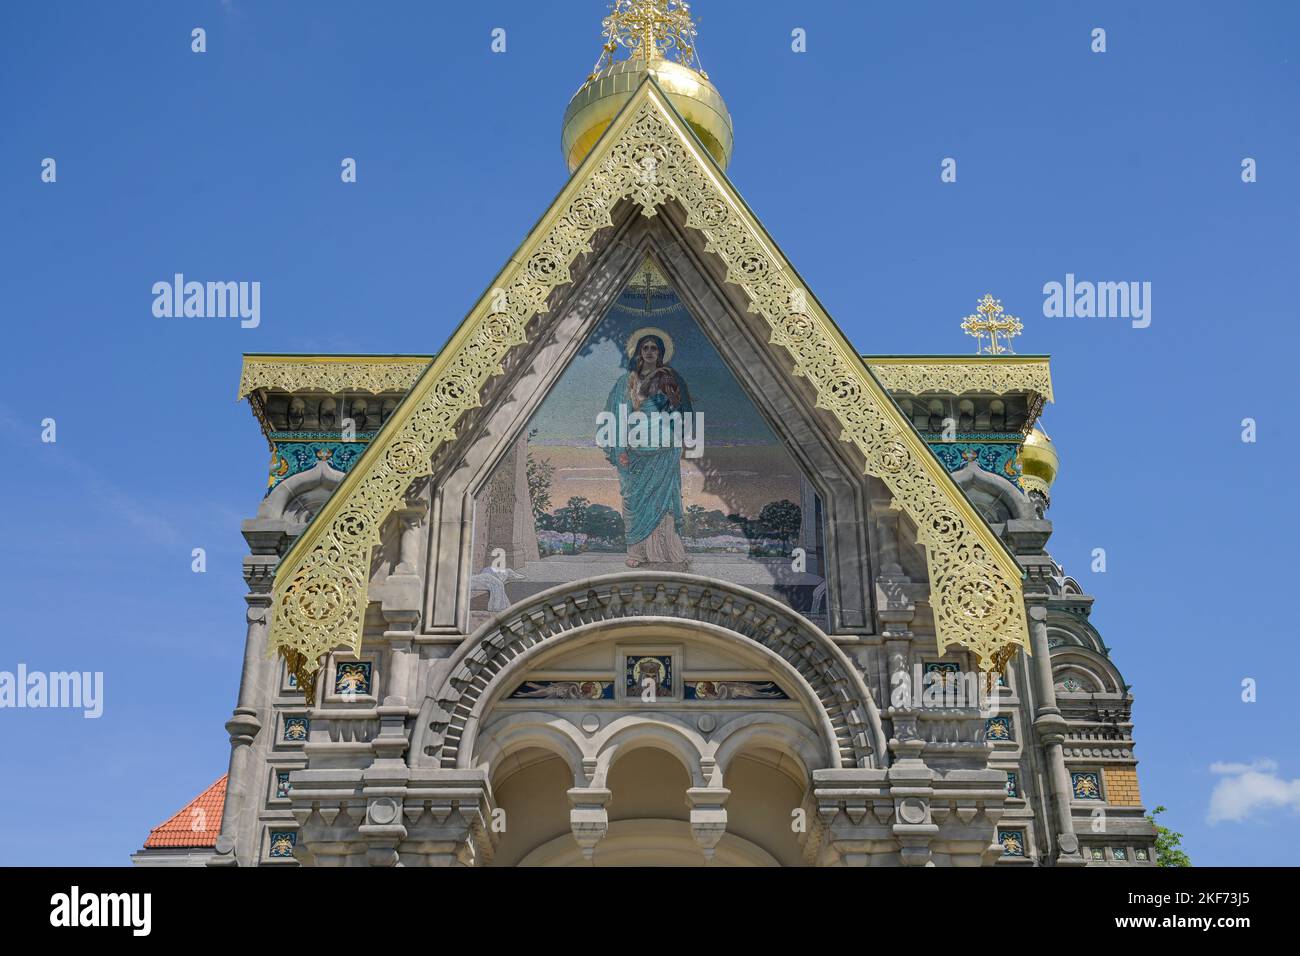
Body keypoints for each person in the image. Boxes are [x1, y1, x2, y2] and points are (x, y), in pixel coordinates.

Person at [602, 328, 692, 567]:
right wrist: (620, 448)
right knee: (635, 498)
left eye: (654, 348)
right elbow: (619, 416)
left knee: (662, 501)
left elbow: (680, 413)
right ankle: (638, 553)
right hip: (637, 448)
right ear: (639, 352)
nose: (650, 352)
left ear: (660, 352)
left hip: (664, 447)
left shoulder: (669, 378)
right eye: (646, 348)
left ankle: (665, 551)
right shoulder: (627, 381)